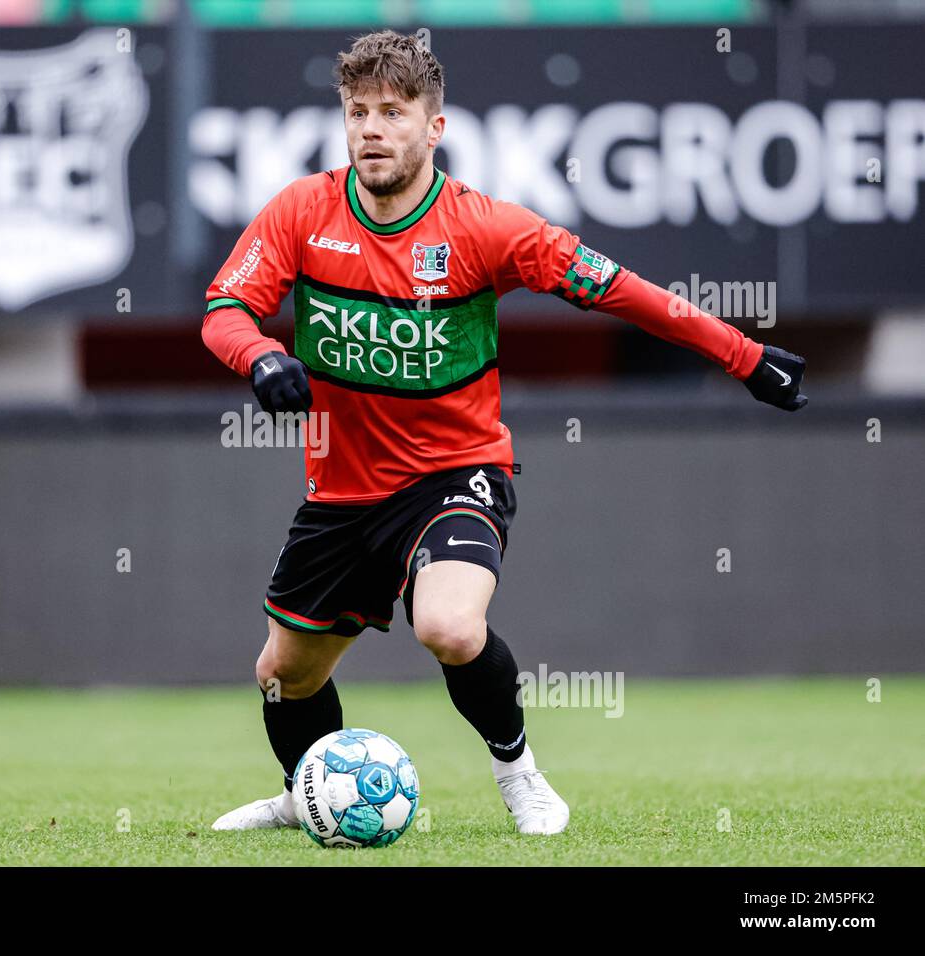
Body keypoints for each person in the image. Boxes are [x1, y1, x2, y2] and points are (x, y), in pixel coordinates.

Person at [201, 30, 807, 836]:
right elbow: (224, 310)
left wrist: (743, 354)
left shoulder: (486, 229)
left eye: (393, 111)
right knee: (282, 674)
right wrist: (261, 359)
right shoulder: (302, 212)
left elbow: (621, 291)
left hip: (455, 472)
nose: (372, 128)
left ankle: (519, 773)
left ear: (434, 127)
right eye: (357, 112)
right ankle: (305, 792)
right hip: (341, 490)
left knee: (448, 626)